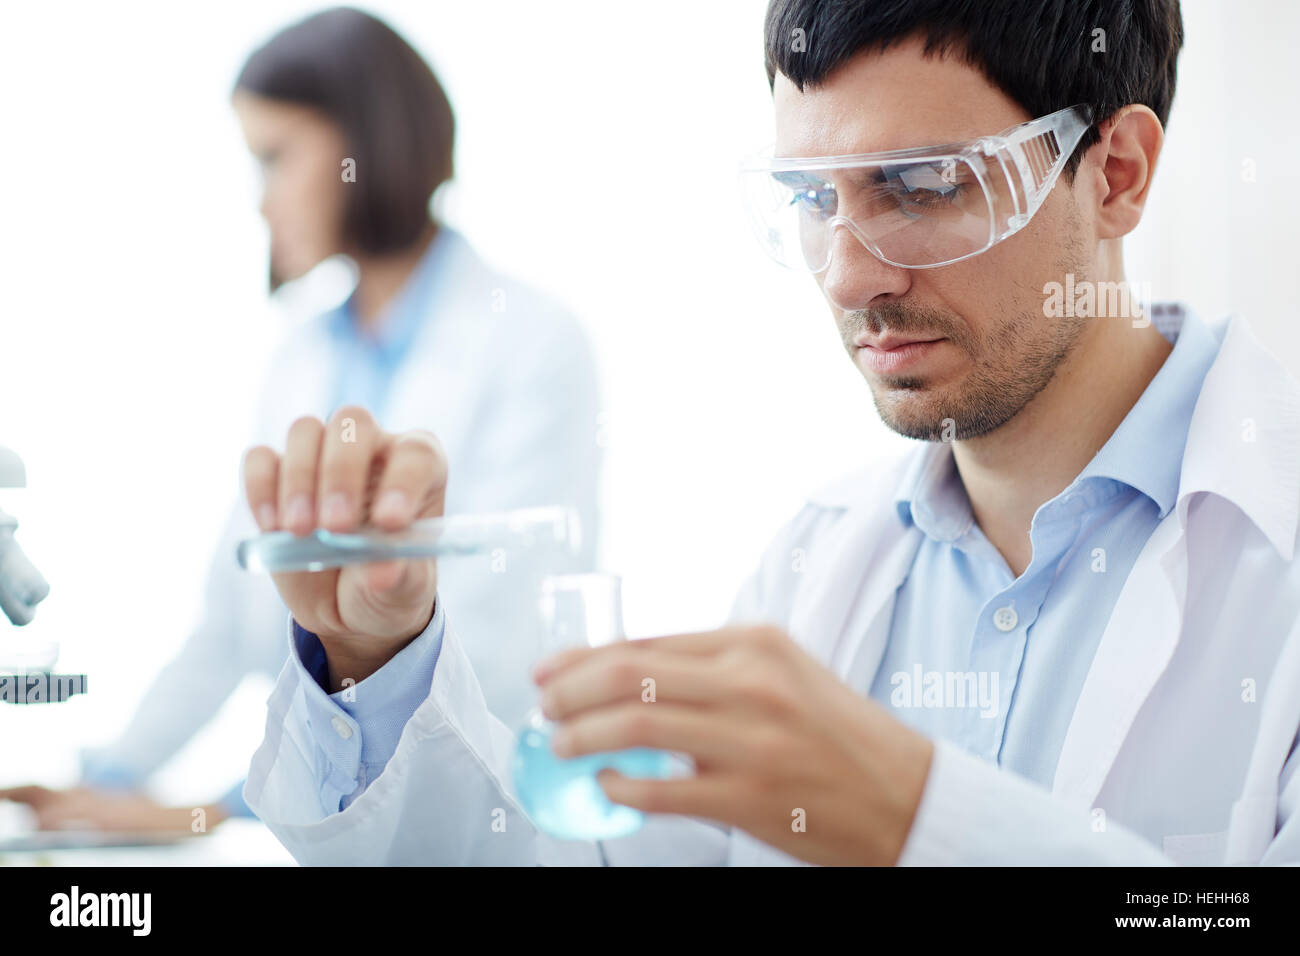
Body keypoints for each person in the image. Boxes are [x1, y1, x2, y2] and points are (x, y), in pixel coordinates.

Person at [239, 0, 1299, 865]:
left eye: (924, 184)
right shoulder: (818, 560)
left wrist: (916, 815)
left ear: (1115, 173)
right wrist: (374, 661)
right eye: (810, 196)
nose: (846, 273)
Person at [0, 8, 599, 834]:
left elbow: (481, 655)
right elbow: (230, 619)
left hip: (480, 818)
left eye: (275, 158)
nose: (262, 201)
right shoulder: (302, 361)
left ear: (367, 145)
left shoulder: (530, 341)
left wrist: (209, 815)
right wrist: (102, 784)